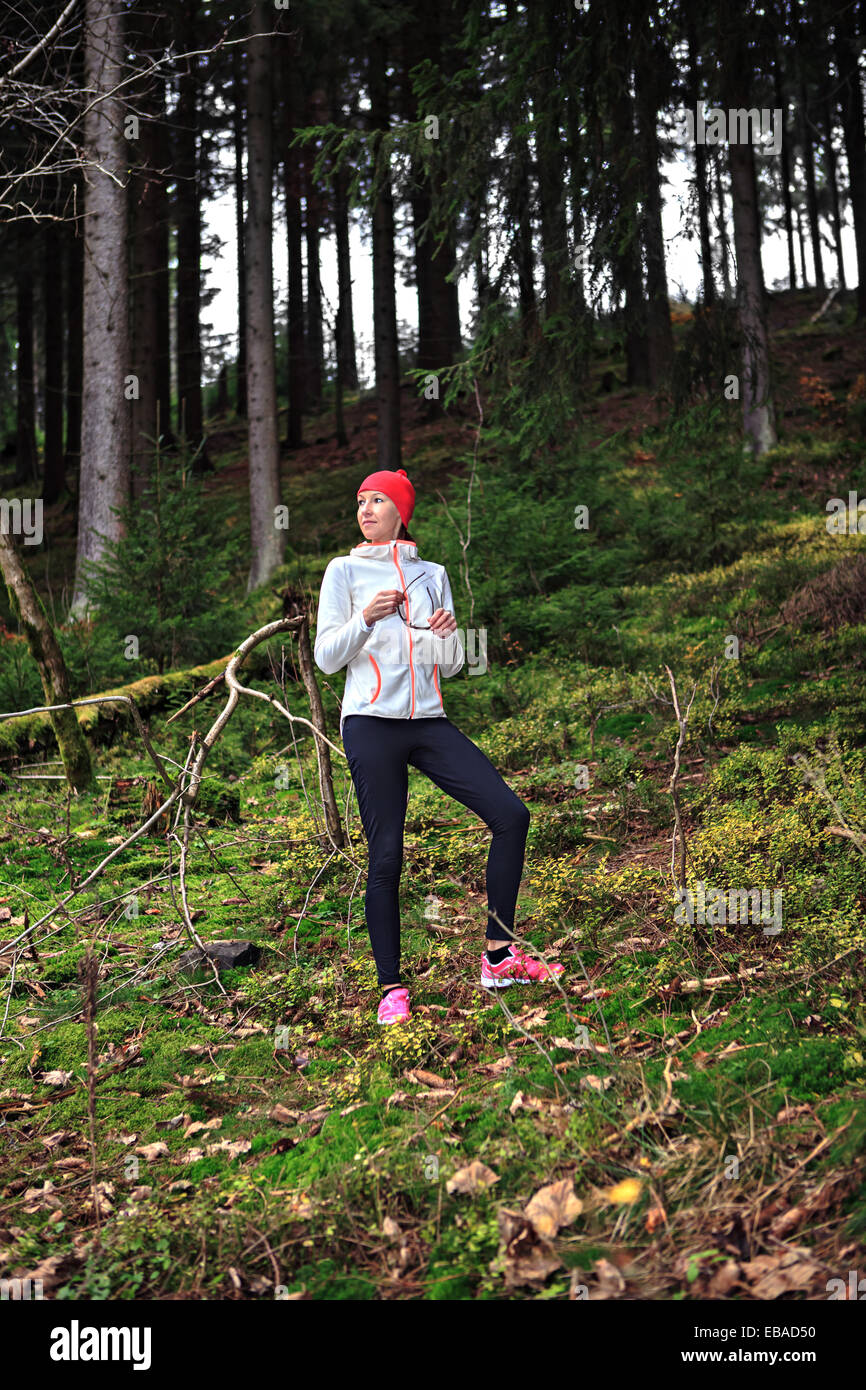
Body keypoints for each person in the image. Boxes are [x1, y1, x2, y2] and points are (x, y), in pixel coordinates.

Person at [313, 467, 563, 1025]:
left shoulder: (434, 574)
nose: (366, 509)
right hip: (370, 724)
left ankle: (498, 957)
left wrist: (445, 638)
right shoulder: (343, 571)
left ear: (401, 509)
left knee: (511, 815)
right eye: (360, 501)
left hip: (428, 722)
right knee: (386, 854)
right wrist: (364, 619)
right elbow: (326, 657)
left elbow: (446, 666)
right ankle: (392, 989)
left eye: (378, 500)